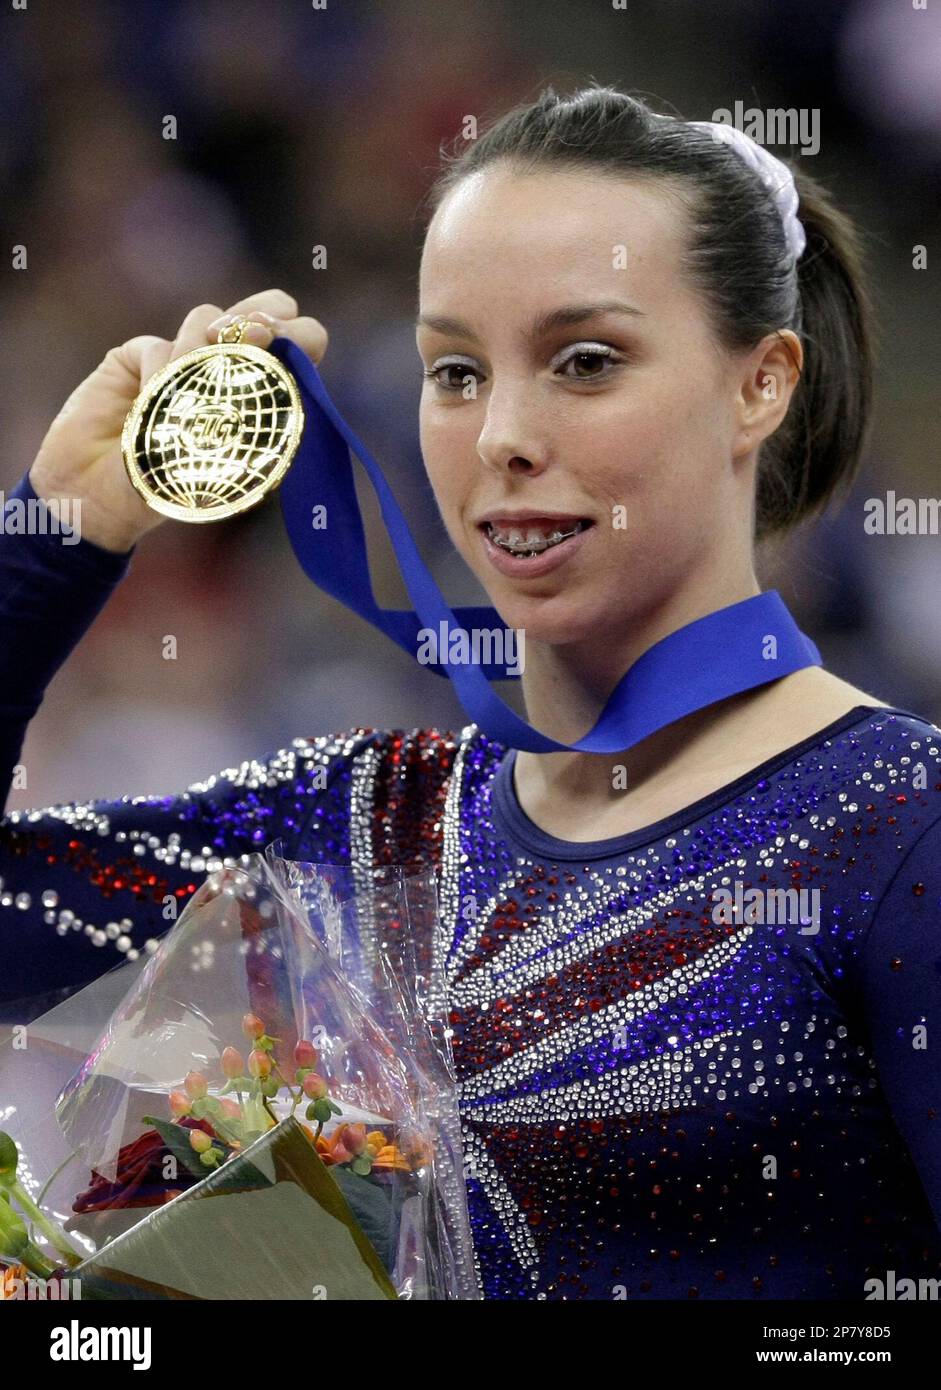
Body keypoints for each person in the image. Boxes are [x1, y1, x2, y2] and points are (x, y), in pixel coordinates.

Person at [2, 84, 940, 1301]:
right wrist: (52, 539)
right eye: (453, 370)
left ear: (759, 383)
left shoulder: (894, 826)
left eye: (584, 361)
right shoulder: (352, 823)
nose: (499, 432)